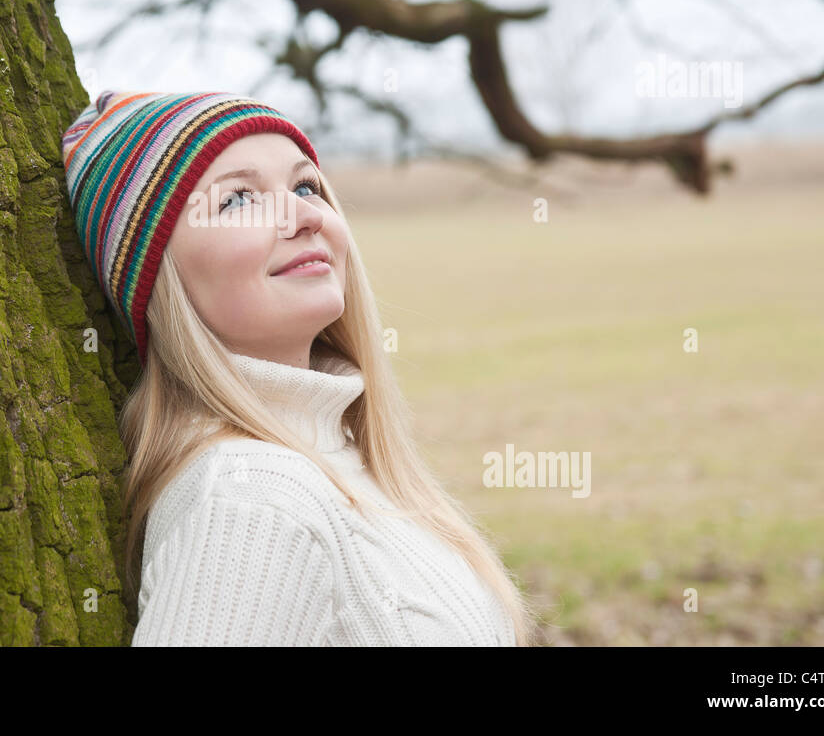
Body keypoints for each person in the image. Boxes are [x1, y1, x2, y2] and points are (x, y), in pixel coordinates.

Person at [62, 89, 533, 645]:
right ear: (159, 278)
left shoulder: (341, 455)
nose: (305, 216)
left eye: (306, 186)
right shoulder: (247, 499)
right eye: (238, 199)